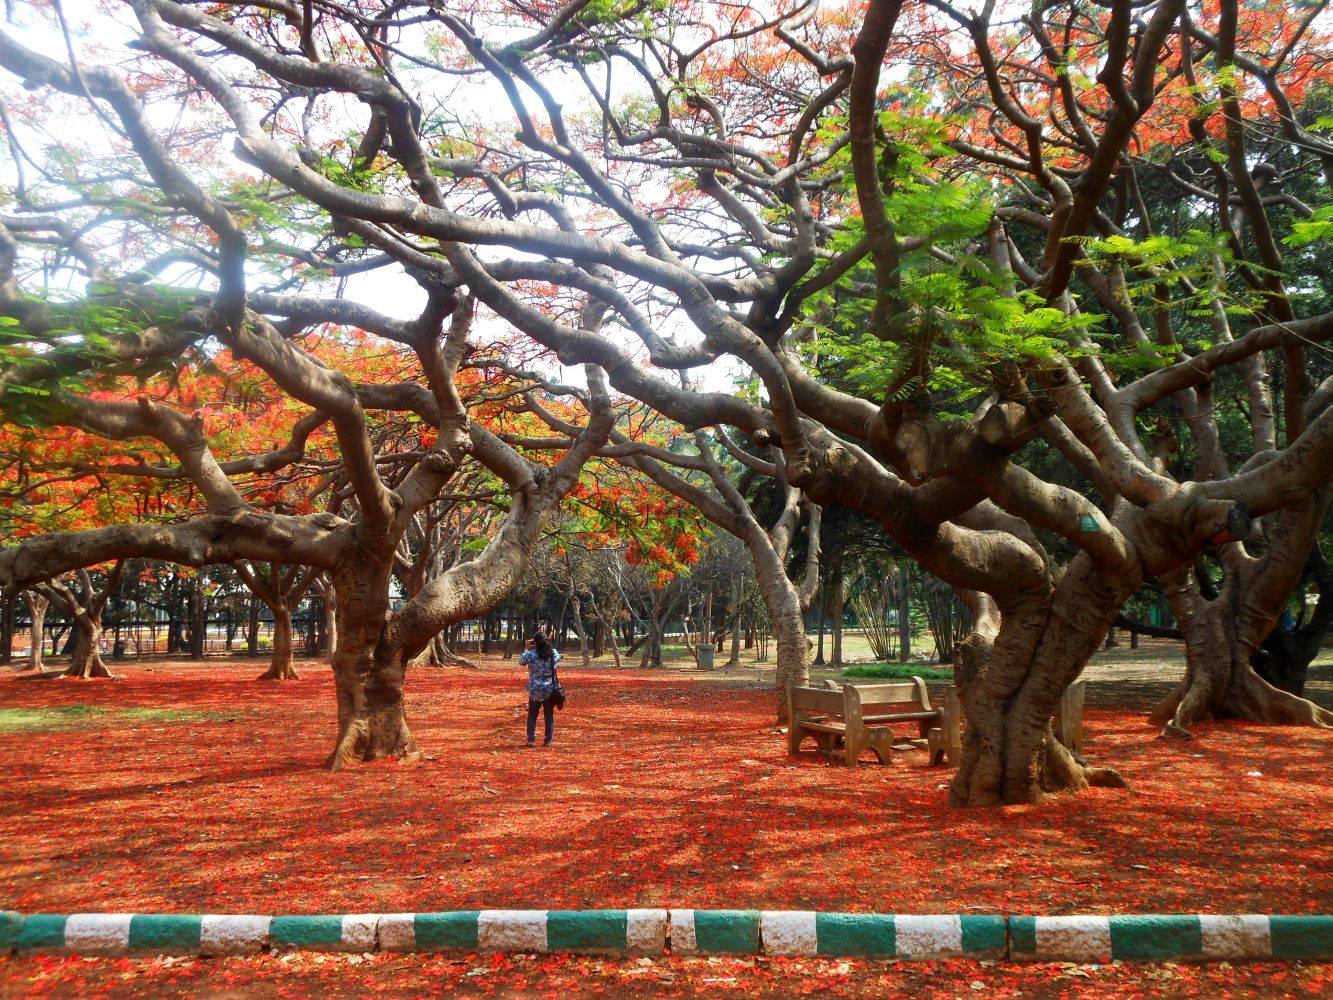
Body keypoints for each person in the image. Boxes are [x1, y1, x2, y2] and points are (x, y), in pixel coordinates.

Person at [518, 632, 560, 746]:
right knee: (548, 714)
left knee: (532, 714)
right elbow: (557, 659)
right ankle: (548, 740)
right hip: (549, 689)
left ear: (535, 643)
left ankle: (531, 739)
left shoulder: (531, 655)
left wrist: (526, 647)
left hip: (535, 689)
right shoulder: (553, 653)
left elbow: (521, 662)